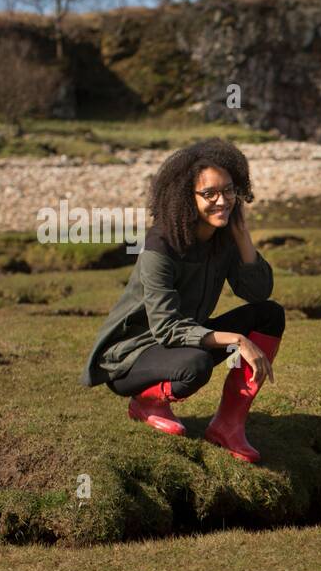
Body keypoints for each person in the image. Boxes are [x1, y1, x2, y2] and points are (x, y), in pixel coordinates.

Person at [78, 138, 284, 463]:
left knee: (269, 314)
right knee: (196, 365)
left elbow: (257, 292)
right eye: (209, 194)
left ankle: (228, 425)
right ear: (186, 198)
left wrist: (242, 235)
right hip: (131, 358)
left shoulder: (224, 235)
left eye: (229, 191)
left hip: (186, 339)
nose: (222, 201)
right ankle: (145, 402)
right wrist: (236, 339)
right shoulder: (160, 246)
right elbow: (167, 329)